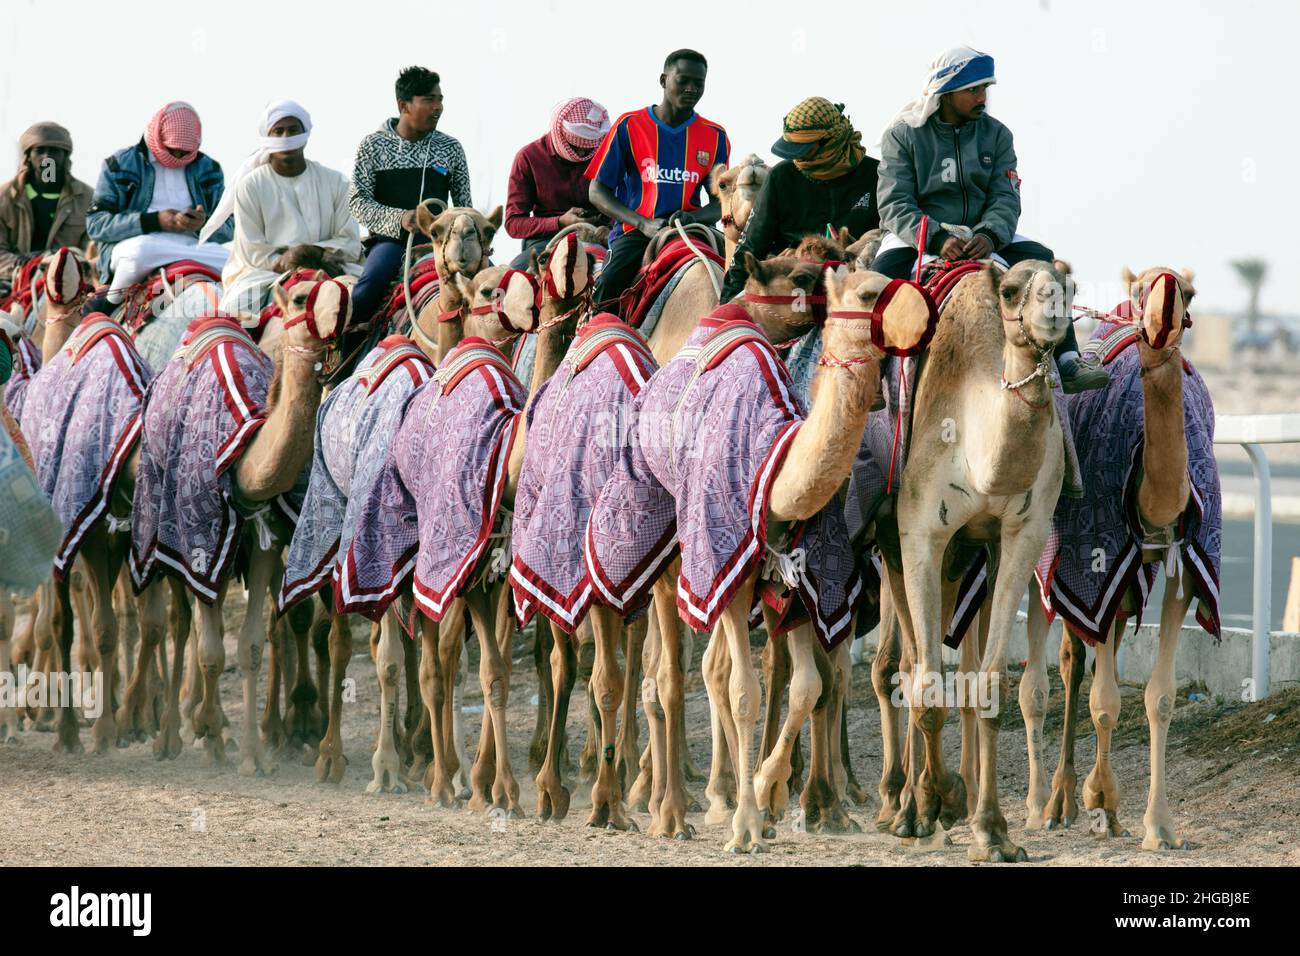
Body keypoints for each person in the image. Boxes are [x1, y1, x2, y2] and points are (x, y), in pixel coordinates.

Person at [871, 47, 1107, 392]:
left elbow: (1005, 196)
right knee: (880, 280)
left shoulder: (997, 135)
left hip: (984, 233)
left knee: (1045, 266)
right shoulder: (902, 135)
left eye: (985, 88)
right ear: (946, 91)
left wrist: (990, 235)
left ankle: (1068, 359)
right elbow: (894, 202)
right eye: (973, 90)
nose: (983, 97)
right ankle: (873, 372)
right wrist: (935, 238)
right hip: (917, 236)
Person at [586, 49, 730, 312]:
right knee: (607, 287)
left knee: (737, 281)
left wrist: (694, 219)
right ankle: (589, 345)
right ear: (663, 80)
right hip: (637, 234)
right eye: (683, 80)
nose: (691, 89)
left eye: (699, 83)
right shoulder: (629, 125)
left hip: (694, 231)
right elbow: (597, 191)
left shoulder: (716, 136)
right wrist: (643, 223)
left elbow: (722, 203)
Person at [201, 101, 363, 314]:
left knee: (364, 304)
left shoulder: (336, 182)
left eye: (293, 130)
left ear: (305, 135)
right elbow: (252, 251)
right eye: (278, 131)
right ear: (267, 138)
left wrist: (312, 253)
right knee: (234, 315)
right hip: (267, 274)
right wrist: (287, 262)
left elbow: (349, 240)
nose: (286, 137)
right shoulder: (251, 186)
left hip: (329, 266)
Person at [719, 97, 880, 302]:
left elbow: (884, 237)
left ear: (829, 142)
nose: (798, 159)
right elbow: (750, 247)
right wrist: (725, 306)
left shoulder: (875, 175)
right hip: (791, 289)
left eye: (804, 149)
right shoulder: (782, 176)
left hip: (858, 286)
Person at [348, 66, 472, 330]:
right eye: (429, 100)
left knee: (492, 282)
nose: (438, 107)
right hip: (390, 243)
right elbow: (357, 201)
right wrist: (400, 218)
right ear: (403, 105)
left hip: (443, 242)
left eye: (440, 100)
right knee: (368, 288)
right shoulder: (373, 146)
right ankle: (344, 359)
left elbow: (464, 206)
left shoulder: (451, 148)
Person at [86, 102, 232, 302]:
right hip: (139, 243)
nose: (178, 157)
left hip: (193, 246)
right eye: (173, 151)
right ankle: (107, 307)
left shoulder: (208, 168)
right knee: (140, 254)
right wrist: (156, 221)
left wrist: (203, 224)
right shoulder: (120, 164)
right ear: (158, 136)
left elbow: (231, 227)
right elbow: (96, 225)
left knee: (235, 263)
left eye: (185, 153)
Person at [505, 97, 610, 269]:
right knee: (510, 284)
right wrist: (560, 222)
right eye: (575, 145)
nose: (582, 152)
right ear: (558, 133)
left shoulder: (604, 155)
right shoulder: (528, 157)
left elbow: (624, 201)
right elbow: (514, 224)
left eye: (588, 147)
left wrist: (610, 230)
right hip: (545, 242)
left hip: (598, 238)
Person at [0, 122, 94, 292]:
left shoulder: (88, 199)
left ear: (65, 156)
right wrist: (29, 266)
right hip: (12, 283)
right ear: (28, 156)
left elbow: (91, 251)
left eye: (54, 151)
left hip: (68, 284)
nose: (46, 157)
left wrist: (59, 263)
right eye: (40, 150)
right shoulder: (4, 197)